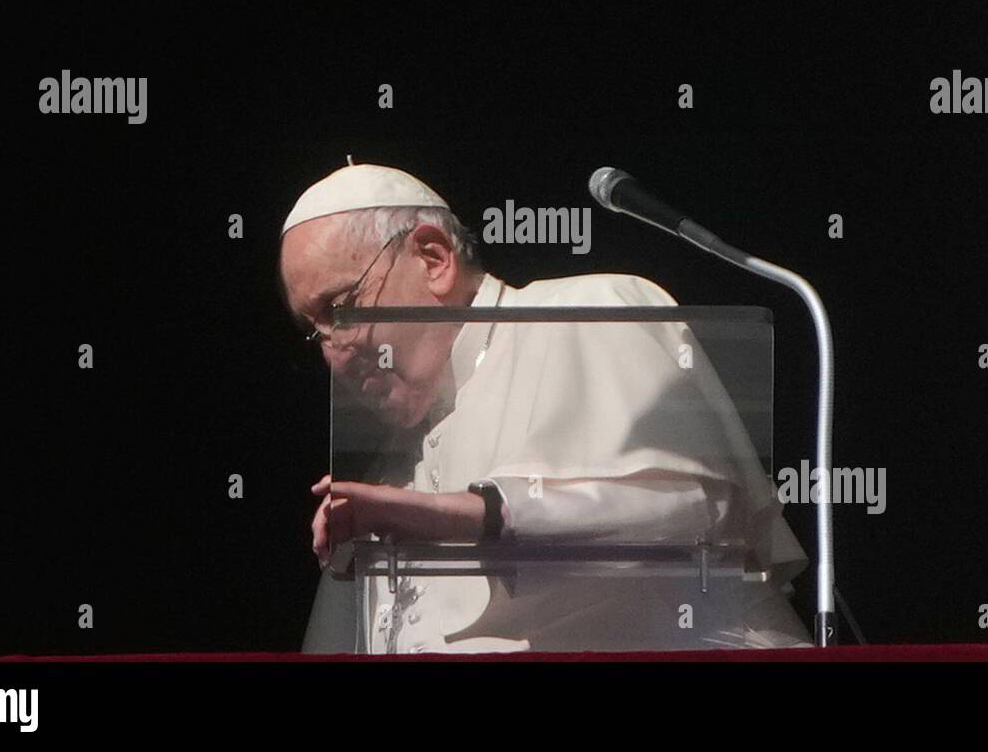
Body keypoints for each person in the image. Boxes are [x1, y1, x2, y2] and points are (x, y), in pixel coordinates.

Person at [278, 162, 812, 652]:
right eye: (314, 331)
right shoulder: (383, 471)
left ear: (433, 258)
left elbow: (691, 513)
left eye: (341, 308)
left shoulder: (588, 311)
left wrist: (463, 515)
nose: (334, 349)